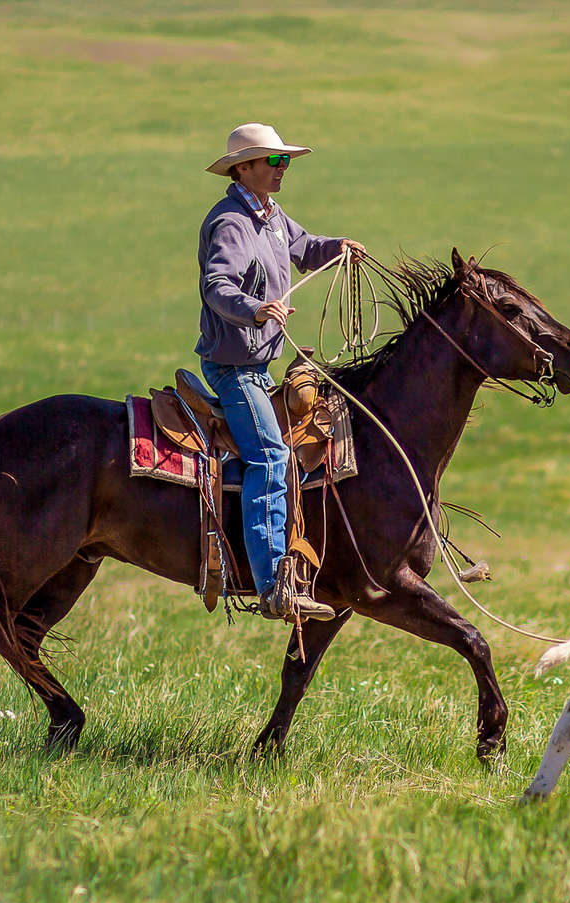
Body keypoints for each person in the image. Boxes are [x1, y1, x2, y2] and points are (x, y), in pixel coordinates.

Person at [196, 123, 364, 620]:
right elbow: (216, 284)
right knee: (270, 457)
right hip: (234, 367)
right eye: (273, 161)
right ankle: (274, 585)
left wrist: (338, 248)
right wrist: (255, 310)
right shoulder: (230, 222)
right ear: (242, 168)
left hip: (257, 364)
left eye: (285, 161)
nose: (282, 168)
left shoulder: (269, 216)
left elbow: (305, 246)